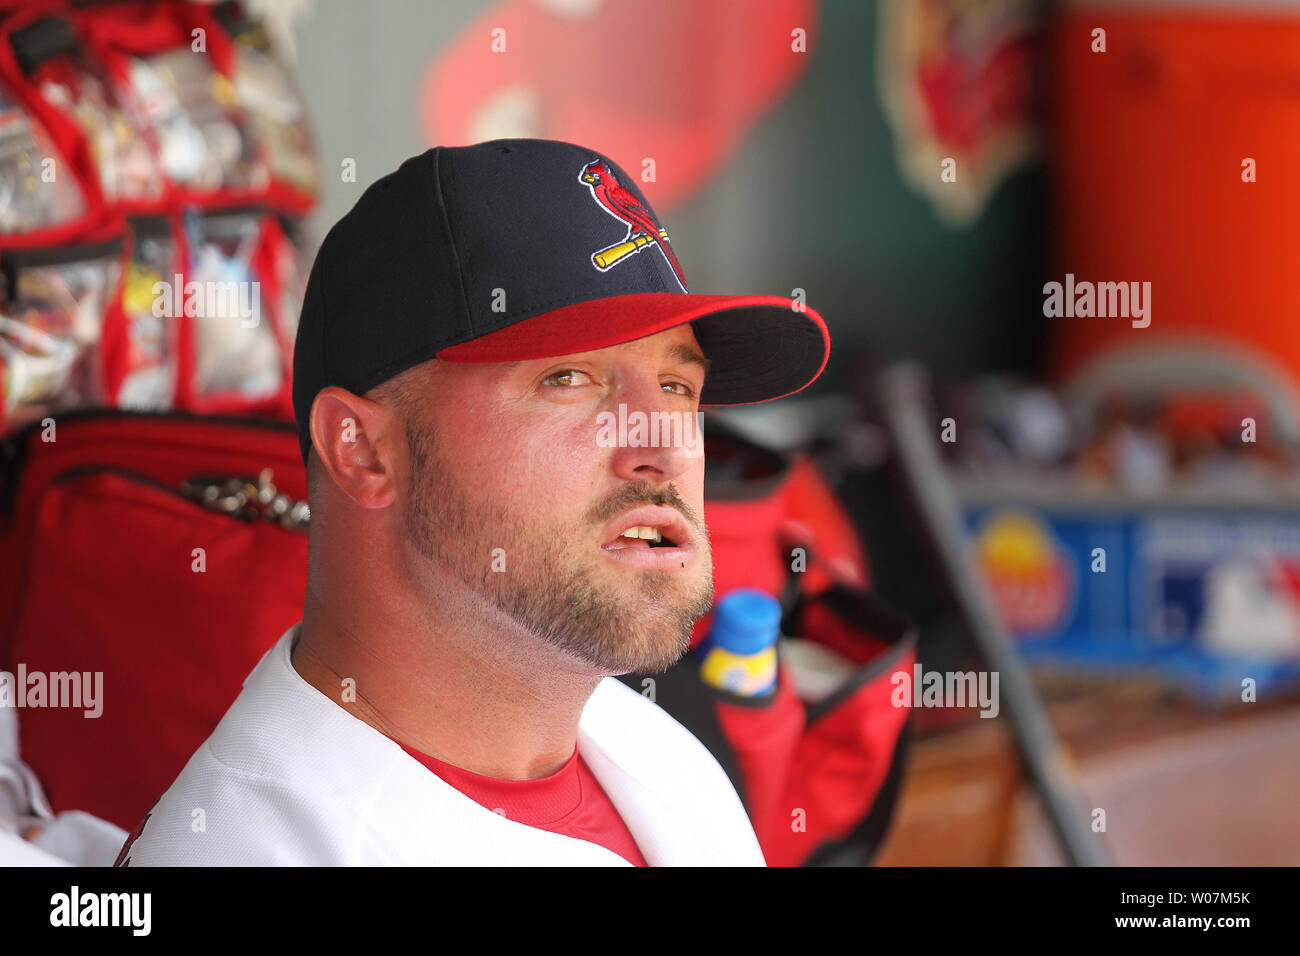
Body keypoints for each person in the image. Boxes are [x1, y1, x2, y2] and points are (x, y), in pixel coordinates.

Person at [118, 138, 829, 866]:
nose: (666, 446)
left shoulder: (663, 755)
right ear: (363, 451)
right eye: (569, 378)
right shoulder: (252, 850)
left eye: (679, 387)